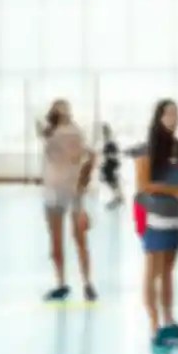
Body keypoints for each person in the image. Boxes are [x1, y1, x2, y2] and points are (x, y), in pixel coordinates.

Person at [136, 99, 178, 348]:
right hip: (155, 216)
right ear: (158, 117)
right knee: (153, 270)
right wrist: (174, 190)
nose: (174, 117)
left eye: (177, 113)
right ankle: (154, 325)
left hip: (174, 217)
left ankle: (168, 320)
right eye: (169, 113)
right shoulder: (147, 149)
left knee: (168, 271)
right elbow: (144, 185)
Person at [38, 100, 96, 302]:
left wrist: (83, 183)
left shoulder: (73, 132)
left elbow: (90, 156)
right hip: (54, 192)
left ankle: (87, 283)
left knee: (79, 239)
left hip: (72, 192)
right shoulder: (52, 133)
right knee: (57, 241)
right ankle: (62, 283)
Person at [99, 124, 124, 209]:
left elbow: (114, 155)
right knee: (113, 183)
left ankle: (118, 198)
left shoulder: (110, 143)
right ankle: (118, 197)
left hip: (111, 167)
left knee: (114, 183)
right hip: (109, 167)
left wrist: (109, 157)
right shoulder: (108, 142)